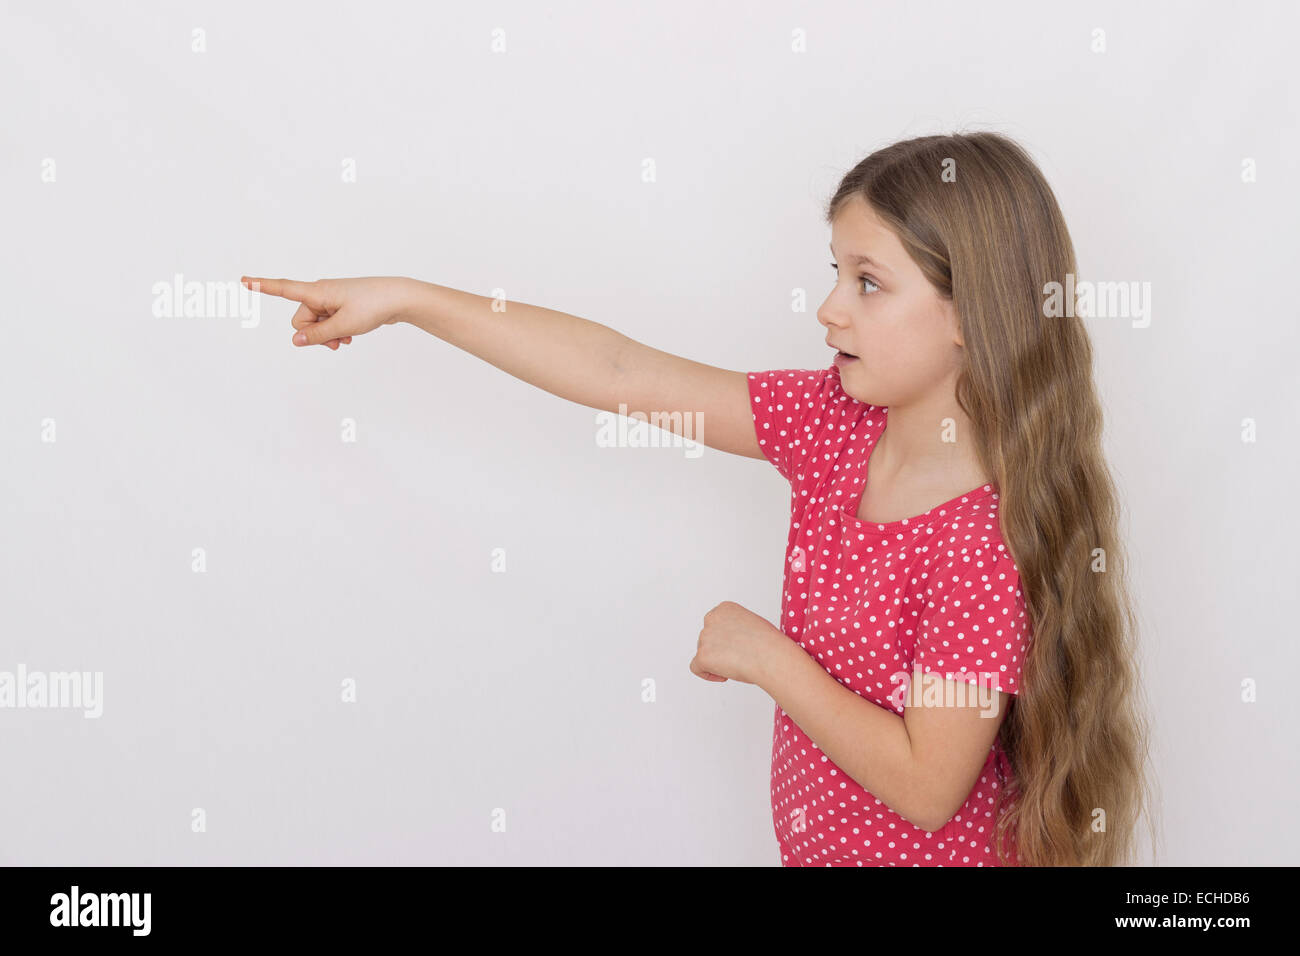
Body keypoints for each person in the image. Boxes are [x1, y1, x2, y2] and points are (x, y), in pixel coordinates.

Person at [242, 130, 1158, 867]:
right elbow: (622, 372)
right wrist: (408, 299)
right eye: (836, 272)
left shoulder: (982, 540)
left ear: (970, 313)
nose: (828, 308)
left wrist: (769, 658)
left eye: (867, 282)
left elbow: (929, 787)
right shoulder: (837, 424)